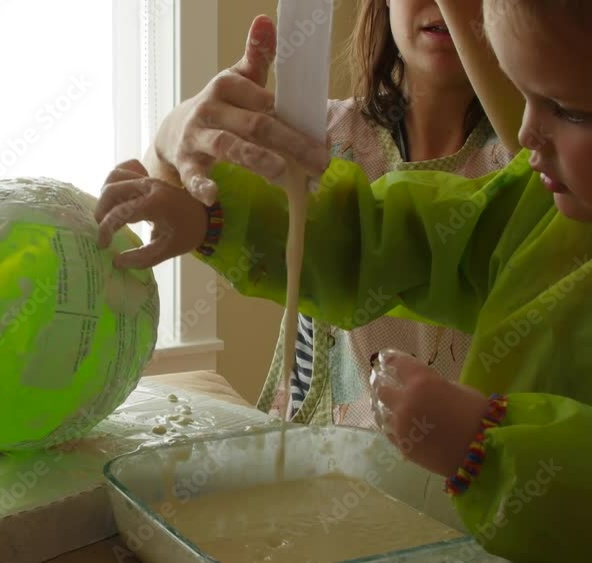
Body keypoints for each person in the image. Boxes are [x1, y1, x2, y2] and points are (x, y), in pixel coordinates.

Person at [94, 0, 590, 559]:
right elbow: (383, 243)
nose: (527, 134)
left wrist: (485, 441)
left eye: (570, 109)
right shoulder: (539, 208)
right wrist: (211, 214)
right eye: (525, 98)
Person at [143, 2, 514, 428]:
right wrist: (170, 137)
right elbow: (177, 192)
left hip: (465, 478)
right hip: (310, 462)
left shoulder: (539, 169)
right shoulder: (316, 135)